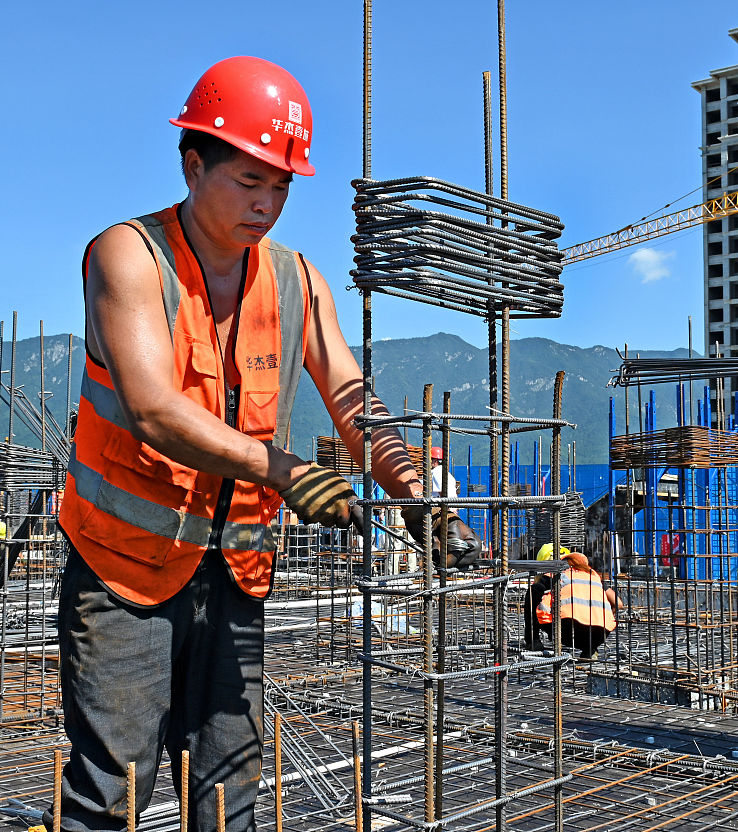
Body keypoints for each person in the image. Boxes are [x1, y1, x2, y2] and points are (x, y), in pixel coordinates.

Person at [51, 57, 474, 832]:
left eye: (282, 185)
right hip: (122, 573)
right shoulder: (129, 256)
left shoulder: (295, 280)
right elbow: (153, 409)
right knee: (113, 790)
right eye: (250, 180)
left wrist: (415, 491)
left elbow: (353, 401)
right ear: (192, 163)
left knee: (227, 789)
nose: (268, 203)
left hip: (235, 573)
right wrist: (284, 470)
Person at [523, 546, 616, 660]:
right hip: (601, 634)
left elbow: (537, 593)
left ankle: (532, 640)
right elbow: (618, 603)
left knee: (535, 590)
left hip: (568, 632)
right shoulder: (593, 575)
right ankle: (590, 649)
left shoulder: (555, 574)